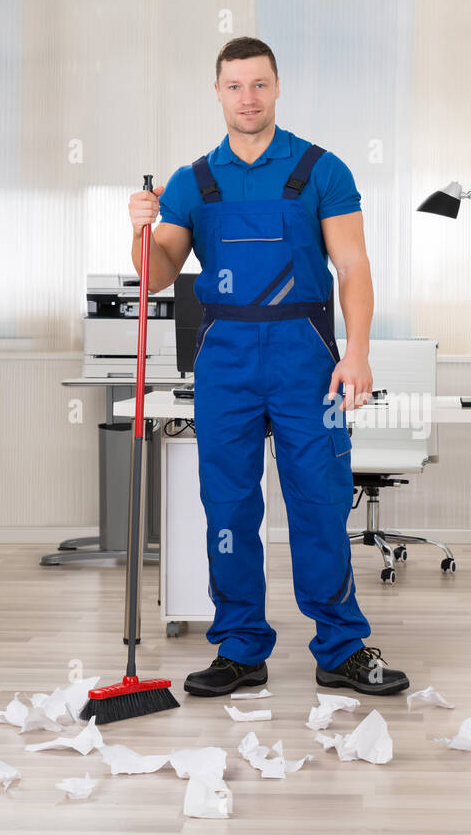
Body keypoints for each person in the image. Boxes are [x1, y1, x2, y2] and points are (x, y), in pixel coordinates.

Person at [128, 36, 409, 698]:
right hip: (225, 360)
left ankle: (341, 646)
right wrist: (139, 228)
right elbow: (157, 273)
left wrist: (358, 351)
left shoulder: (321, 170)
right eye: (234, 86)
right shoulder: (192, 182)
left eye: (259, 85)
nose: (247, 98)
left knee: (320, 500)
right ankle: (240, 646)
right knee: (227, 506)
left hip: (306, 359)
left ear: (277, 88)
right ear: (218, 92)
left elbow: (355, 265)